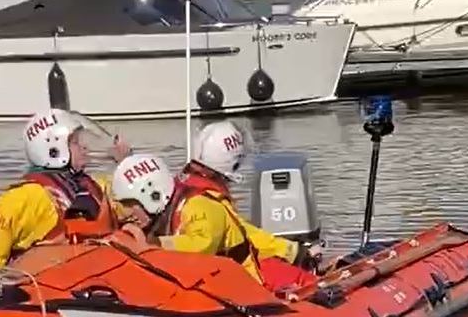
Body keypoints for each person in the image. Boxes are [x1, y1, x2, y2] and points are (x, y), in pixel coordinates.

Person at [109, 123, 320, 291]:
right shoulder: (190, 198)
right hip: (223, 284)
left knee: (305, 285)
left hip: (249, 285)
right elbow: (244, 230)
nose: (127, 215)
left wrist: (151, 244)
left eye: (130, 206)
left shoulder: (200, 205)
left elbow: (201, 243)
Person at [0, 109, 130, 281]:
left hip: (95, 283)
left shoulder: (96, 186)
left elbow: (131, 201)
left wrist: (125, 163)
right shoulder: (19, 200)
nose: (84, 147)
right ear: (54, 149)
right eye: (75, 142)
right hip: (46, 291)